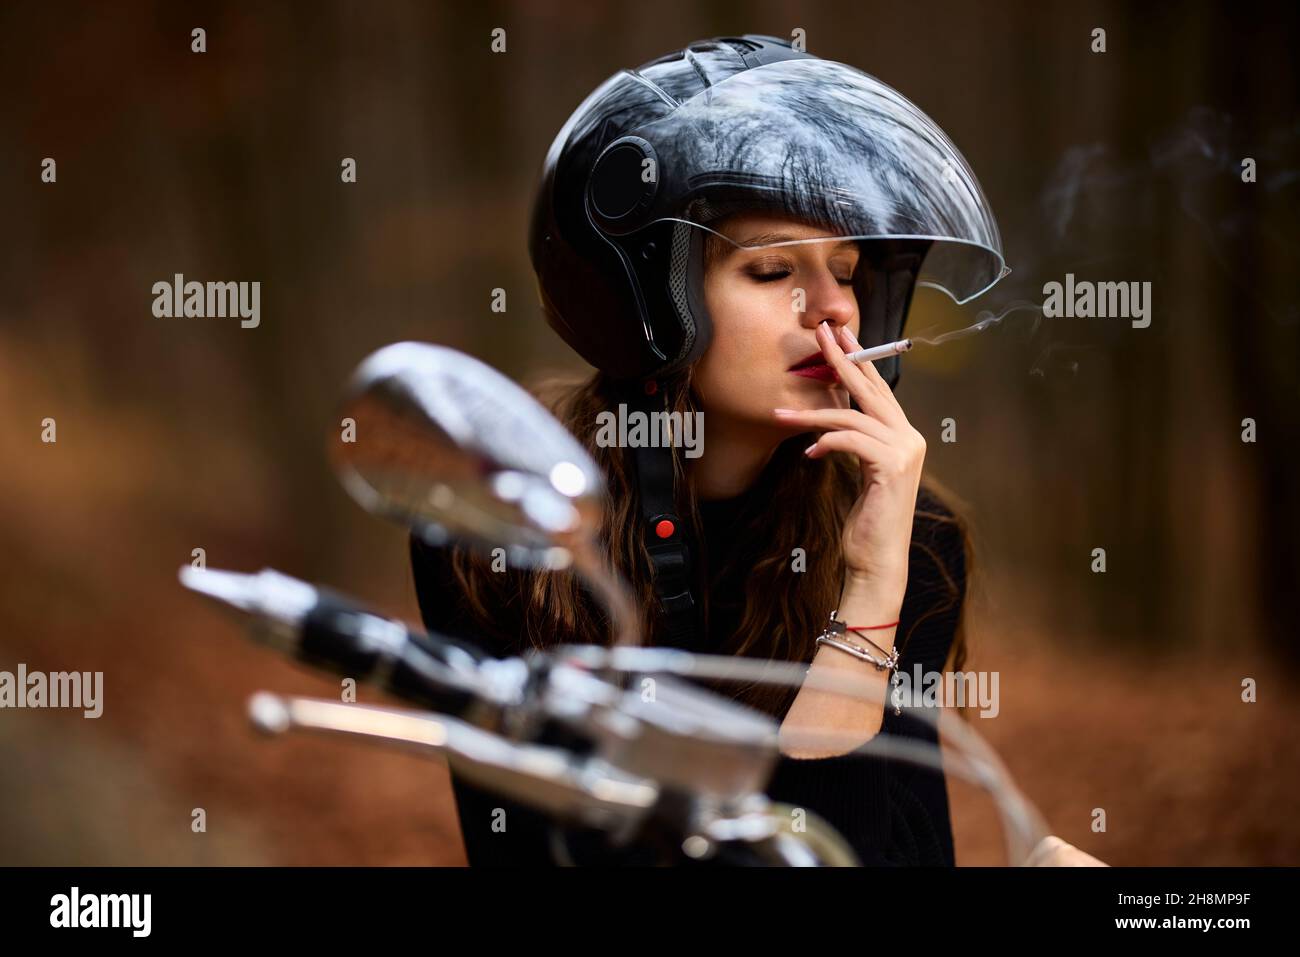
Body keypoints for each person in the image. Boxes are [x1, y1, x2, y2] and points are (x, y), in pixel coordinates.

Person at [410, 34, 1010, 866]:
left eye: (847, 268)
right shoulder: (507, 524)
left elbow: (882, 855)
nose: (834, 310)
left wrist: (871, 589)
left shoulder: (913, 532)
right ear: (646, 299)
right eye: (771, 271)